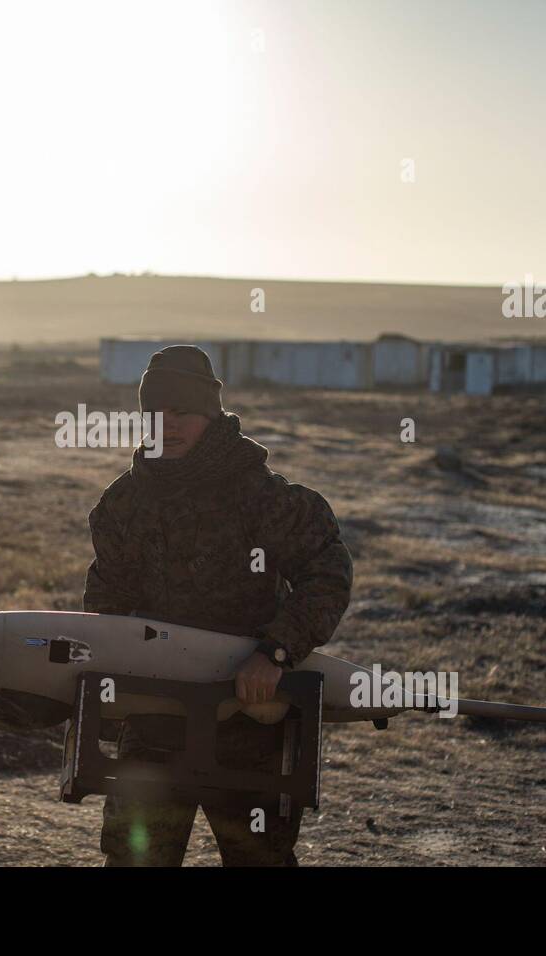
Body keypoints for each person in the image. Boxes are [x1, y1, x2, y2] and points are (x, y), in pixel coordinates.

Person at [83, 344, 353, 866]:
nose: (169, 425)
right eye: (155, 414)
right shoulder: (124, 505)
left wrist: (275, 652)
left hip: (251, 719)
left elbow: (328, 573)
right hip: (154, 721)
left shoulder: (264, 498)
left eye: (182, 412)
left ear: (211, 413)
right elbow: (106, 605)